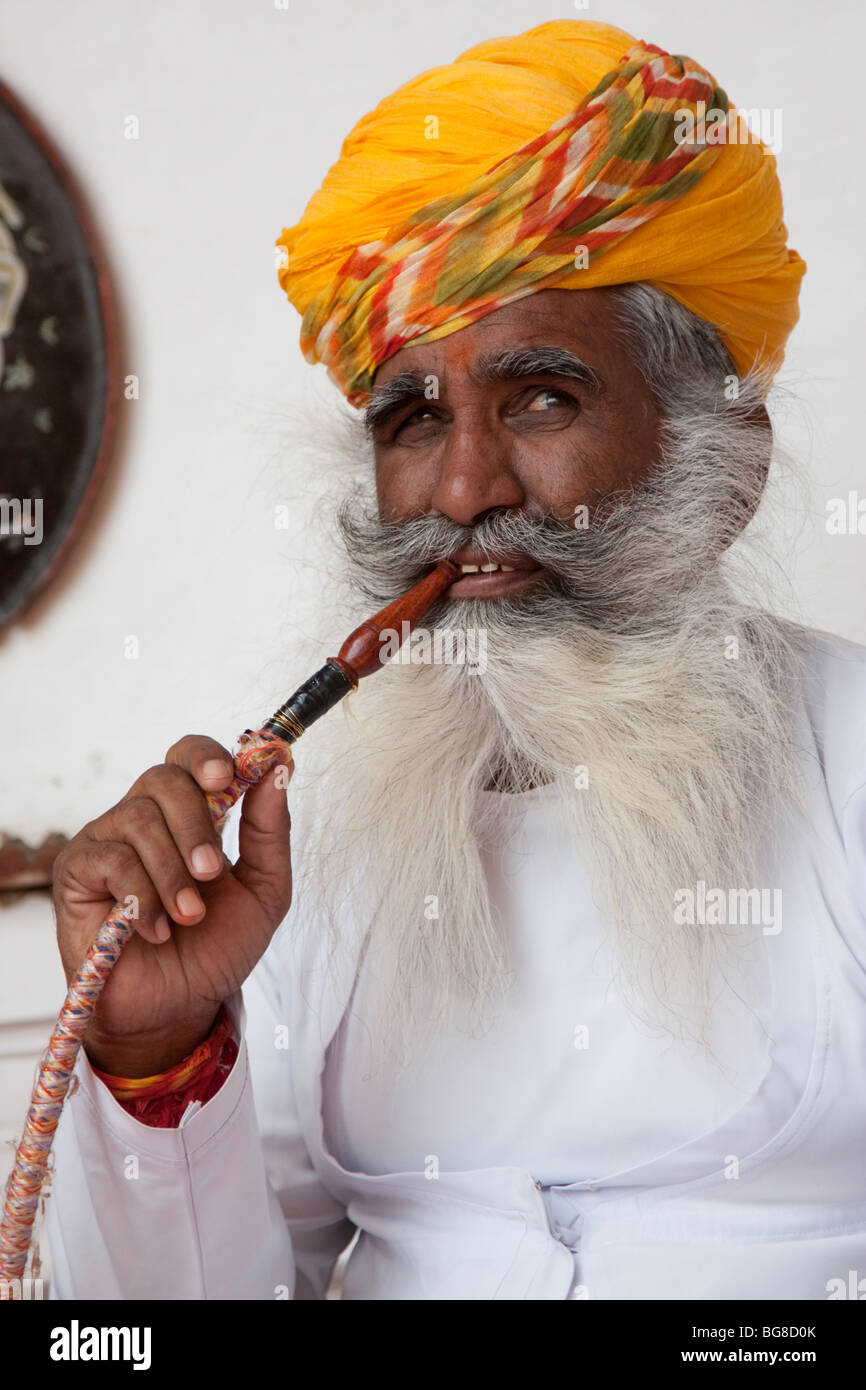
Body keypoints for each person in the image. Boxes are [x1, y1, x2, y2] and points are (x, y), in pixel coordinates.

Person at [46, 20, 866, 1301]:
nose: (465, 488)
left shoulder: (849, 755)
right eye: (412, 418)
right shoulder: (304, 834)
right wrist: (158, 1053)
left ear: (726, 466)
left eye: (541, 397)